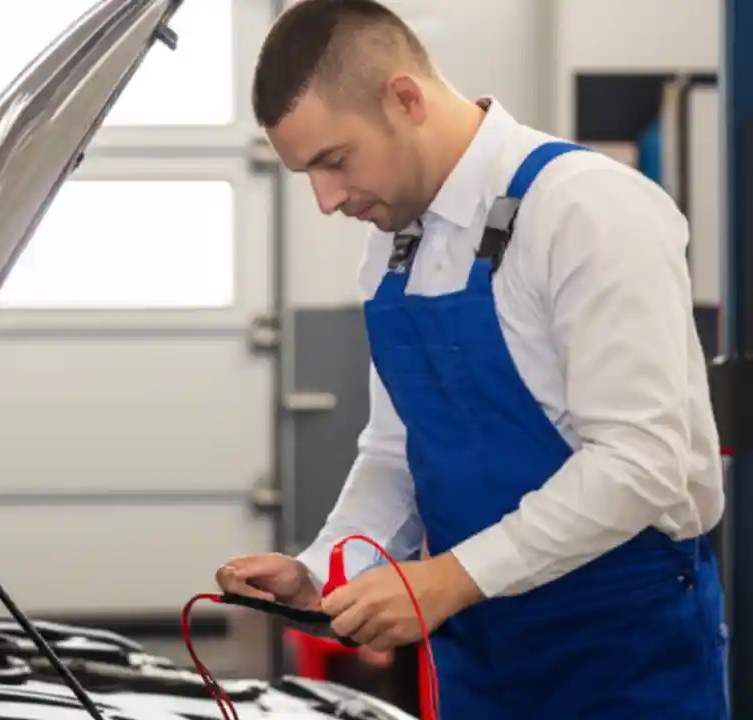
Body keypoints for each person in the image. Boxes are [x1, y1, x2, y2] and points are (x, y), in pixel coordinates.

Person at [213, 0, 729, 716]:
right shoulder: (393, 250)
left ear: (404, 98)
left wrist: (449, 580)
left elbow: (642, 461)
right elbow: (397, 451)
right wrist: (326, 571)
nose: (326, 200)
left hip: (623, 654)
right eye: (308, 173)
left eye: (334, 161)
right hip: (480, 660)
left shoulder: (587, 210)